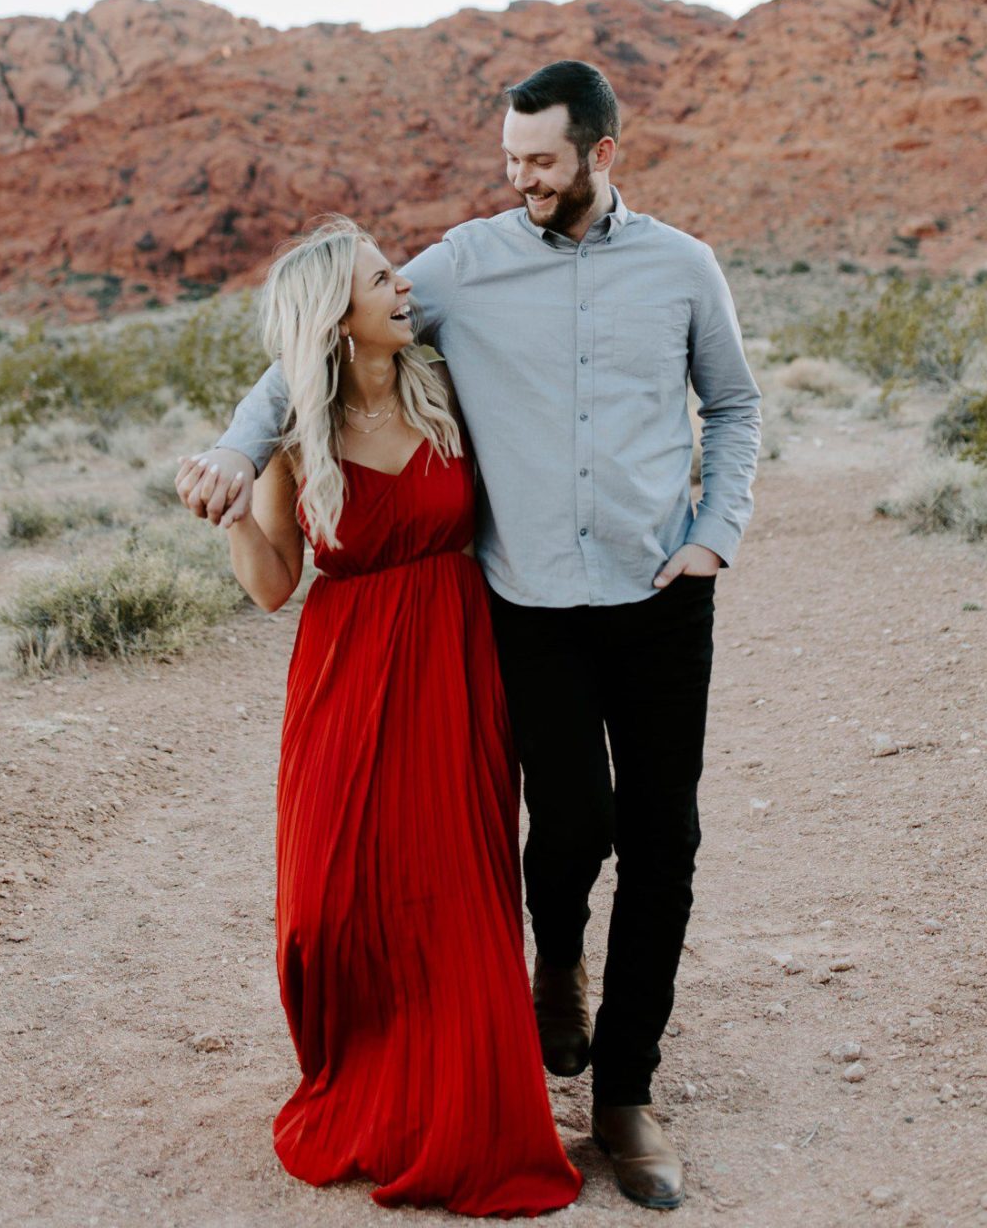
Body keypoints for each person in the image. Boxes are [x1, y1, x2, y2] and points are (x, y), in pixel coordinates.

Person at [180, 60, 763, 1212]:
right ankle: (556, 953)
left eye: (540, 162)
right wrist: (242, 454)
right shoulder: (464, 263)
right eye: (510, 161)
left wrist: (714, 533)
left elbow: (734, 405)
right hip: (528, 608)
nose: (520, 180)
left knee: (665, 836)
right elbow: (301, 357)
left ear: (604, 151)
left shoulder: (683, 267)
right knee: (571, 823)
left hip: (659, 595)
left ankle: (626, 1093)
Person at [178, 217, 582, 1217]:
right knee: (330, 900)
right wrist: (231, 515)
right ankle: (367, 1083)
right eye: (383, 277)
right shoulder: (292, 436)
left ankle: (469, 1100)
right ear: (337, 314)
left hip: (456, 660)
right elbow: (275, 584)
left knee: (450, 887)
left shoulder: (450, 388)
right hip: (344, 676)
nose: (408, 287)